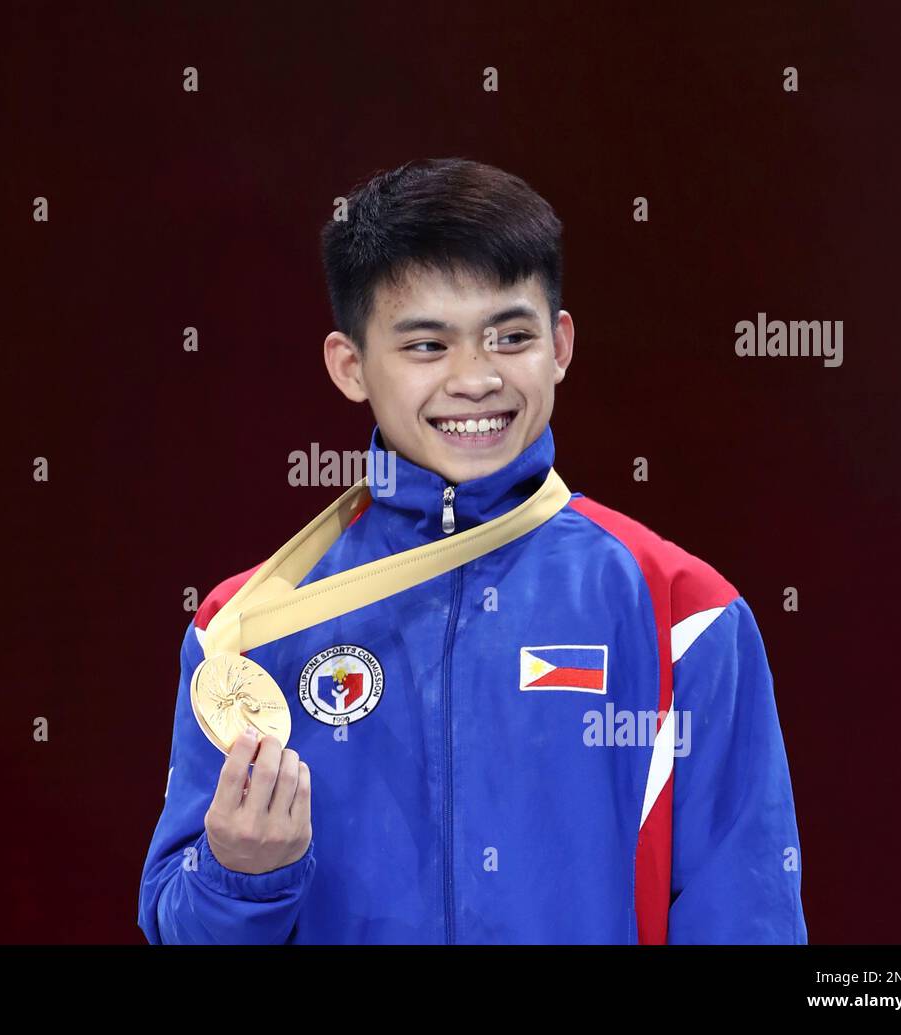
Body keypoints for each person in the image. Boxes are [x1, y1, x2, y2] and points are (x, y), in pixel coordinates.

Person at [137, 157, 808, 944]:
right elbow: (177, 929)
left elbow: (747, 917)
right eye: (427, 346)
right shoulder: (244, 629)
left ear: (560, 345)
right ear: (350, 366)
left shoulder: (683, 612)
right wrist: (241, 877)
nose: (476, 379)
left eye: (510, 336)